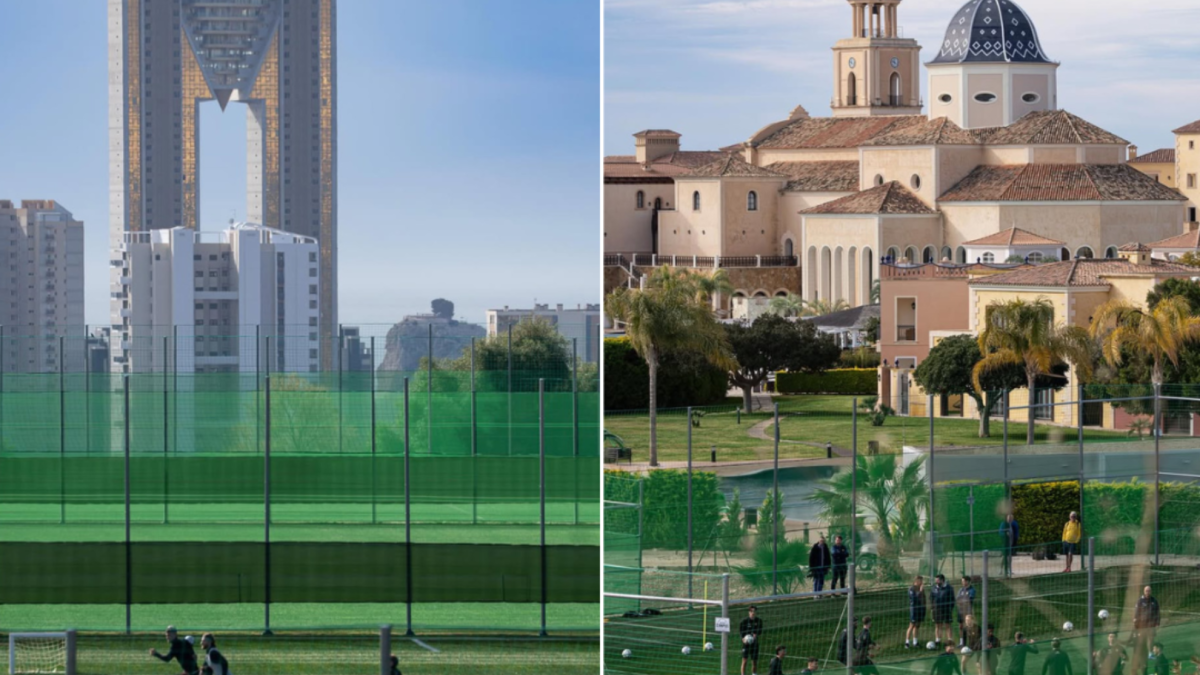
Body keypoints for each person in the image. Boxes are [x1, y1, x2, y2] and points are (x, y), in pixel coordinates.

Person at [1133, 586, 1161, 675]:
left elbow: (1157, 612)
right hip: (1142, 625)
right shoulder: (1140, 601)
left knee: (1151, 638)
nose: (1148, 592)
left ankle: (1150, 653)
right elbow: (1136, 613)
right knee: (1141, 641)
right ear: (1144, 591)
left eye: (1149, 590)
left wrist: (1157, 623)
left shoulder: (1154, 601)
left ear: (1151, 591)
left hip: (1151, 624)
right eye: (1146, 591)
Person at [932, 574, 955, 647]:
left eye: (937, 580)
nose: (936, 581)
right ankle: (937, 640)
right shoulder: (934, 588)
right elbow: (931, 598)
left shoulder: (949, 588)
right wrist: (933, 608)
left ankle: (950, 640)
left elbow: (952, 599)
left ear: (942, 580)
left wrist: (950, 608)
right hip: (937, 610)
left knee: (948, 625)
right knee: (938, 625)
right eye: (935, 580)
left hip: (946, 609)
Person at [742, 605, 764, 675]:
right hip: (746, 644)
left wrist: (755, 634)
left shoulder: (759, 621)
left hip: (754, 643)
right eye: (751, 611)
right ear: (749, 612)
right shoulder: (744, 621)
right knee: (744, 660)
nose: (753, 612)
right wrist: (744, 639)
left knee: (754, 661)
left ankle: (754, 673)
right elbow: (741, 632)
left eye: (754, 611)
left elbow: (760, 631)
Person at [906, 575, 927, 649]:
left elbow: (923, 598)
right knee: (911, 625)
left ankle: (915, 642)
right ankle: (907, 643)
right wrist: (920, 591)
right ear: (916, 581)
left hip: (920, 609)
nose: (922, 582)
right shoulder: (911, 589)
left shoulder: (920, 588)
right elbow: (914, 598)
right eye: (920, 581)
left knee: (917, 626)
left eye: (922, 581)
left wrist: (924, 607)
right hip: (914, 609)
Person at [957, 576, 976, 646]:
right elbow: (958, 599)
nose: (962, 582)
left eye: (963, 581)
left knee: (969, 627)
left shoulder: (972, 590)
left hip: (968, 611)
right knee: (961, 626)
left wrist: (963, 600)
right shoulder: (961, 590)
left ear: (968, 581)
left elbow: (969, 600)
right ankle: (962, 642)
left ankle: (972, 641)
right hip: (961, 611)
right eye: (962, 581)